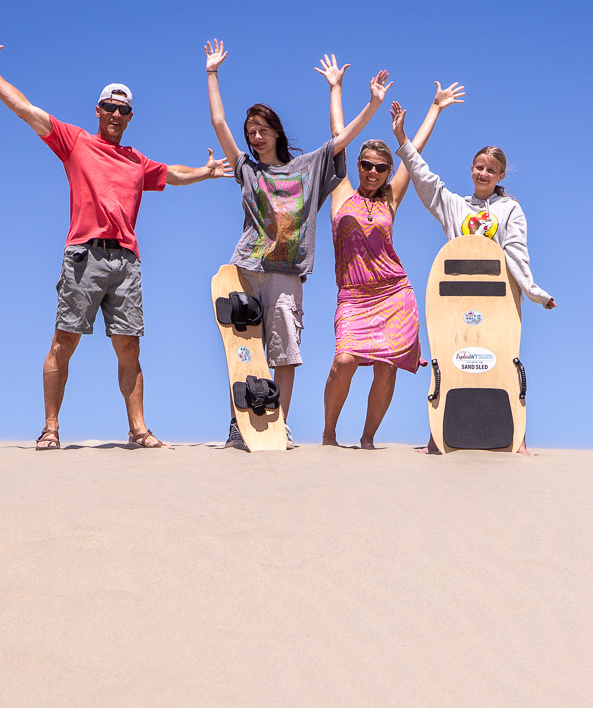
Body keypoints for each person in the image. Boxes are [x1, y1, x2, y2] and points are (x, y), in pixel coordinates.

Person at [0, 32, 231, 451]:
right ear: (98, 110)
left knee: (129, 347)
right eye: (109, 107)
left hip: (126, 262)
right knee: (63, 342)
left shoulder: (135, 160)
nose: (115, 114)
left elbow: (172, 174)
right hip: (84, 257)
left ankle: (138, 431)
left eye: (123, 110)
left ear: (129, 116)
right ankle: (50, 428)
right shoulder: (75, 142)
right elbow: (25, 109)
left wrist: (206, 171)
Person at [204, 39, 391, 448]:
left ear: (276, 132)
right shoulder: (247, 170)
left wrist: (370, 103)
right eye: (251, 132)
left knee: (285, 350)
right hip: (247, 269)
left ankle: (278, 423)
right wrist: (212, 73)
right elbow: (219, 124)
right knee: (244, 348)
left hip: (288, 273)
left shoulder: (307, 167)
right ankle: (239, 426)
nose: (255, 137)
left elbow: (342, 139)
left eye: (262, 130)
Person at [390, 99, 557, 454]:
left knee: (504, 362)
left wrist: (534, 292)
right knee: (448, 360)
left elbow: (516, 252)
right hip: (454, 295)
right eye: (479, 167)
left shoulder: (509, 209)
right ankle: (436, 439)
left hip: (498, 297)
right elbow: (425, 179)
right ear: (471, 169)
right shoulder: (455, 206)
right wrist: (402, 138)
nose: (483, 174)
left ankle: (519, 440)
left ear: (500, 176)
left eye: (491, 170)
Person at [316, 62, 465, 447]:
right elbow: (338, 136)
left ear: (386, 172)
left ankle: (367, 439)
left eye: (380, 168)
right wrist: (336, 87)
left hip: (394, 294)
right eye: (365, 164)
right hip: (353, 295)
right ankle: (329, 435)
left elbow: (414, 151)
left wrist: (434, 107)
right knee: (344, 360)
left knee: (386, 367)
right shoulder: (342, 193)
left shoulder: (391, 199)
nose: (371, 171)